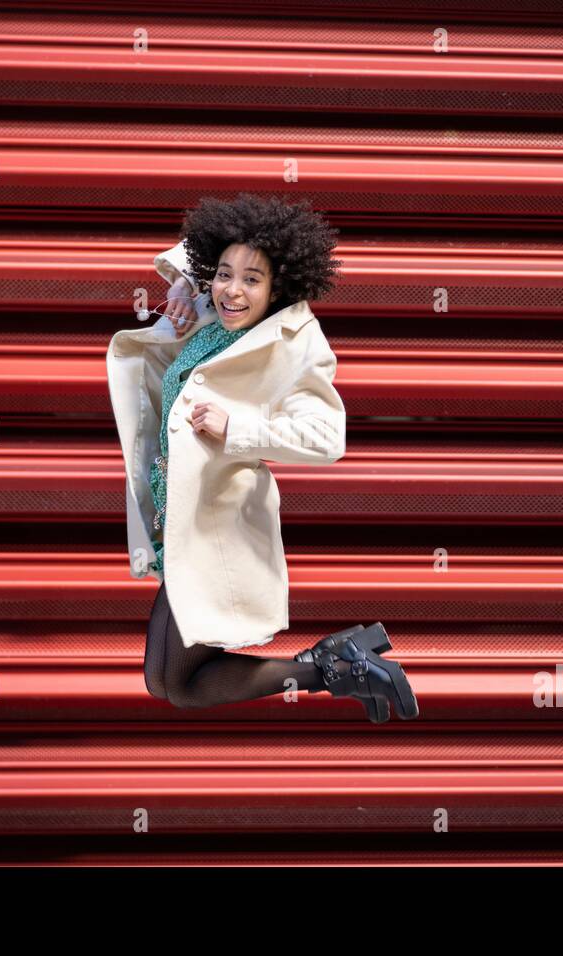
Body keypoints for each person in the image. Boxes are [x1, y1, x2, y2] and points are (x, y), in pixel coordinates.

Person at [106, 193, 419, 722]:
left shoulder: (294, 340)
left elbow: (326, 436)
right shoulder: (210, 311)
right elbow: (188, 256)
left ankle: (334, 668)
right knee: (167, 683)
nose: (232, 289)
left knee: (174, 681)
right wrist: (186, 283)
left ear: (279, 286)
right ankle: (338, 665)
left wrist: (240, 429)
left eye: (252, 279)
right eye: (223, 273)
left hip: (218, 533)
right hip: (183, 524)